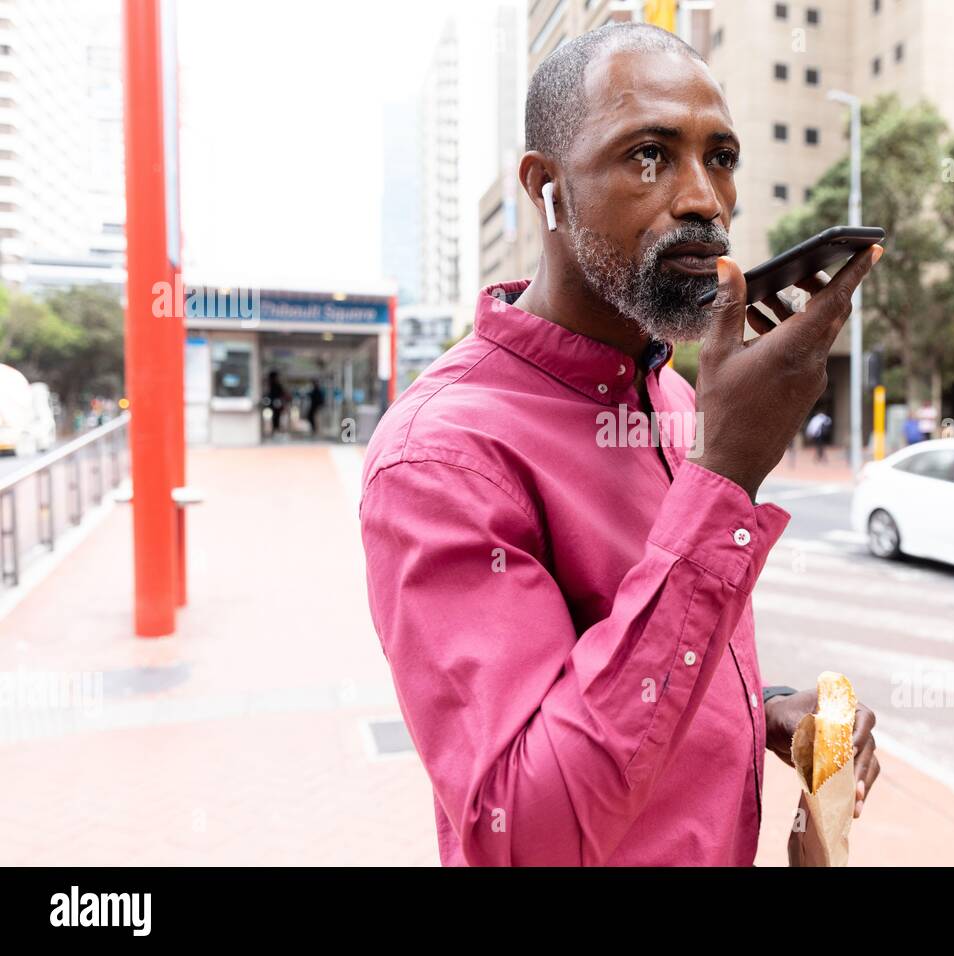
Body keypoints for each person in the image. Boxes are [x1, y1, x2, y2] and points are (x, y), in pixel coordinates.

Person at [358, 23, 883, 867]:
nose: (704, 200)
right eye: (650, 154)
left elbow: (650, 661)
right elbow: (525, 831)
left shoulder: (677, 396)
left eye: (721, 157)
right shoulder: (441, 456)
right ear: (548, 188)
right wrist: (726, 477)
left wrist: (766, 711)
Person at [265, 370, 286, 434]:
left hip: (276, 403)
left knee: (276, 416)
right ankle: (276, 429)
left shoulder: (272, 384)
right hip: (275, 403)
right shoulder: (273, 385)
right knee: (276, 417)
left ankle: (276, 429)